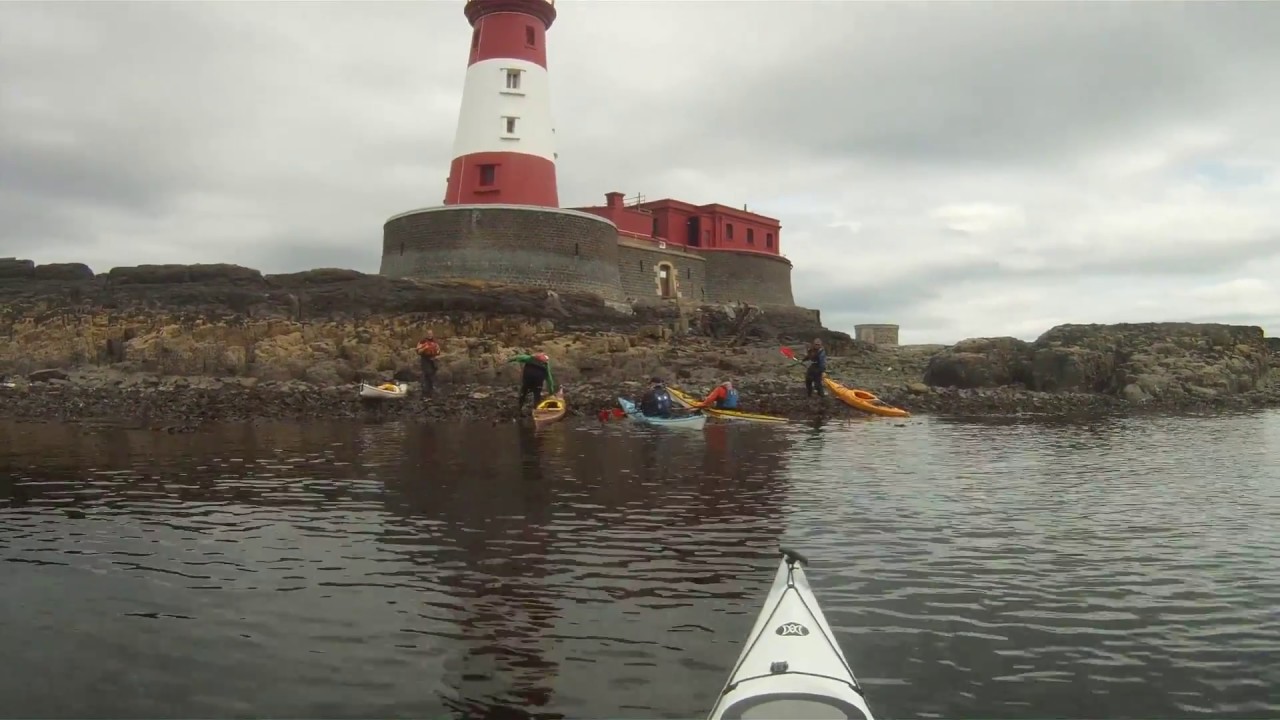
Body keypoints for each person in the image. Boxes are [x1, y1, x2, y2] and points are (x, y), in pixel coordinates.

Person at [415, 332, 441, 399]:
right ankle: (425, 392)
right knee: (427, 374)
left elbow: (438, 350)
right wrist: (424, 348)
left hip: (432, 360)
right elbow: (418, 351)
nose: (430, 335)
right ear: (426, 335)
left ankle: (431, 391)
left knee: (432, 375)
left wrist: (437, 352)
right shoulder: (422, 342)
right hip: (425, 360)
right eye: (428, 334)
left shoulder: (435, 342)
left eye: (431, 334)